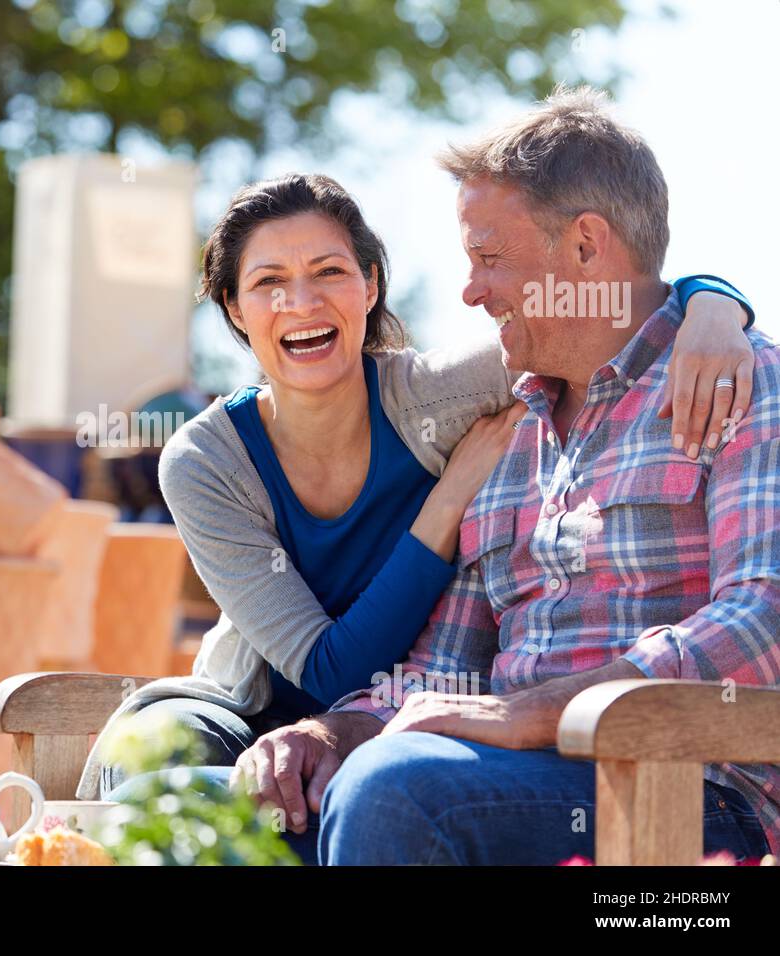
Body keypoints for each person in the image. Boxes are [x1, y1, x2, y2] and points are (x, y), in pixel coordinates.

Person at [76, 157, 757, 810]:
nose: (301, 301)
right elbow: (327, 670)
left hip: (396, 717)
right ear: (233, 308)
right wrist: (446, 502)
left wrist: (714, 305)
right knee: (155, 771)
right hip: (253, 705)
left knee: (373, 793)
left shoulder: (442, 393)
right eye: (268, 282)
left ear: (370, 286)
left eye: (329, 271)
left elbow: (603, 317)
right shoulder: (205, 461)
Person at [225, 86, 779, 865]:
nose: (470, 290)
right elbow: (445, 663)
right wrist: (332, 731)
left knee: (396, 790)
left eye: (489, 259)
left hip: (690, 798)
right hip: (501, 777)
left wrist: (537, 713)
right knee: (243, 816)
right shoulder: (509, 432)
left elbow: (765, 619)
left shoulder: (740, 384)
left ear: (587, 247)